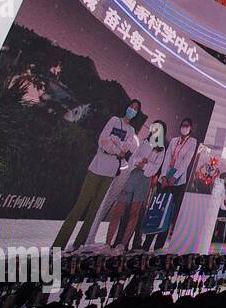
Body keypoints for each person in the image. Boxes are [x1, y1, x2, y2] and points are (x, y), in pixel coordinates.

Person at [53, 99, 141, 250]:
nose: (132, 109)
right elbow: (103, 140)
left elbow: (125, 149)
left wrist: (115, 143)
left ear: (137, 113)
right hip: (97, 167)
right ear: (126, 107)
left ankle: (78, 245)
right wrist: (117, 147)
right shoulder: (114, 120)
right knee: (80, 205)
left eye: (136, 109)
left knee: (93, 210)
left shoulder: (132, 131)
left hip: (110, 172)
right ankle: (58, 245)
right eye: (131, 106)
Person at [106, 119, 166, 251]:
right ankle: (108, 243)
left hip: (145, 181)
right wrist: (141, 162)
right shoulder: (144, 142)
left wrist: (144, 165)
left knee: (135, 212)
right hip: (133, 176)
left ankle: (123, 245)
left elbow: (154, 169)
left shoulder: (161, 149)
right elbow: (134, 158)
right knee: (119, 209)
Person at [149, 117, 198, 248]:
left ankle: (159, 246)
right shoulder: (174, 141)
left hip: (178, 182)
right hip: (165, 179)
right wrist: (164, 176)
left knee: (168, 213)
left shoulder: (192, 142)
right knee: (157, 209)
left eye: (187, 125)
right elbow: (166, 159)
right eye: (183, 125)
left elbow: (186, 162)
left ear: (191, 128)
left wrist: (175, 177)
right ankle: (147, 242)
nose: (184, 127)